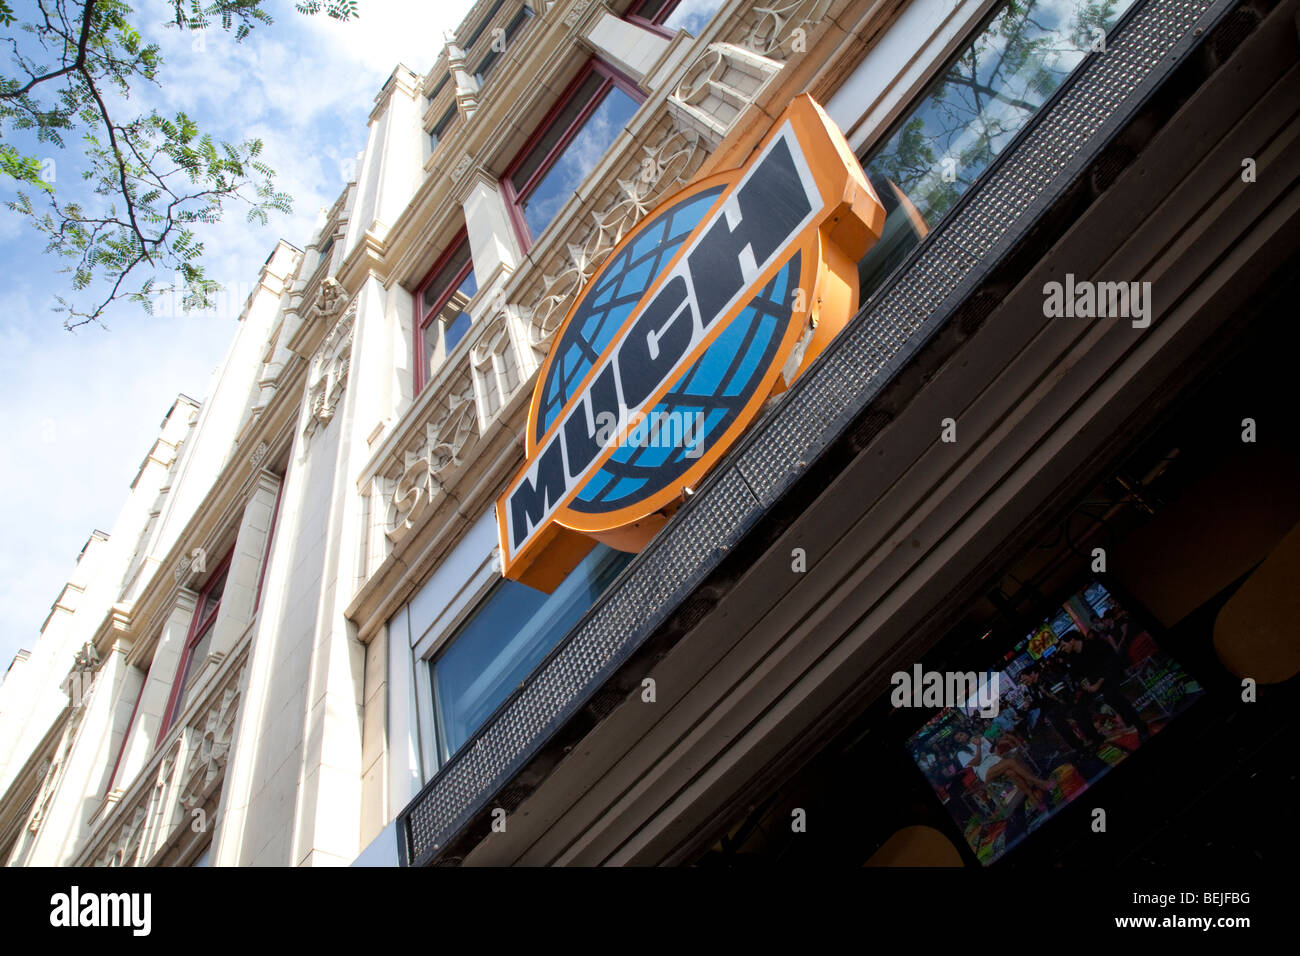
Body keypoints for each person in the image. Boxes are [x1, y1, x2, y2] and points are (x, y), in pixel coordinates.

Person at [1057, 633, 1151, 747]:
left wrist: (1097, 683)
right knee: (1077, 710)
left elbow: (1109, 664)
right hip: (1093, 685)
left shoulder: (1094, 645)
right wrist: (1084, 684)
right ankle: (1096, 738)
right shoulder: (1072, 658)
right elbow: (1076, 676)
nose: (1062, 649)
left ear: (1072, 640)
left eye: (1063, 645)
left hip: (1109, 677)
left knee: (1111, 696)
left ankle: (1140, 726)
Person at [952, 729, 1056, 811]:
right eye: (958, 739)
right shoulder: (961, 753)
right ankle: (1040, 783)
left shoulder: (978, 738)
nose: (961, 738)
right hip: (983, 769)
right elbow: (976, 762)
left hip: (994, 761)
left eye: (961, 734)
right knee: (1010, 762)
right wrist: (978, 746)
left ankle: (1034, 800)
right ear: (958, 742)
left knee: (1011, 773)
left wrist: (988, 744)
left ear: (964, 732)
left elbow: (992, 749)